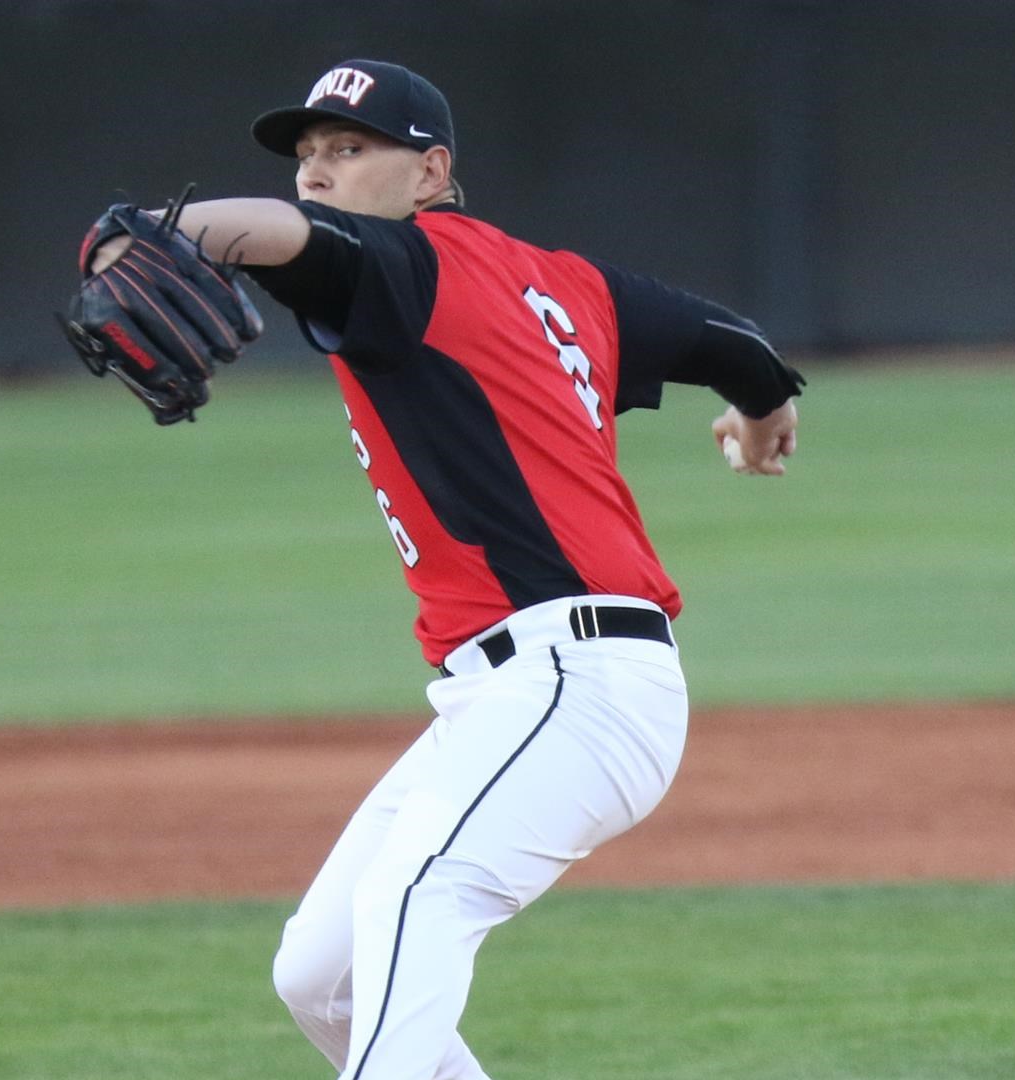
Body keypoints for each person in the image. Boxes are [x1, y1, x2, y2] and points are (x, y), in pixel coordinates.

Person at [87, 59, 804, 1080]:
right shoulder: (566, 281)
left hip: (575, 685)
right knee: (320, 977)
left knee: (417, 899)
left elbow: (282, 237)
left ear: (429, 173)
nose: (318, 174)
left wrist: (146, 232)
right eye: (307, 156)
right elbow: (729, 341)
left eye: (348, 150)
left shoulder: (398, 266)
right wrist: (766, 410)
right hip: (511, 692)